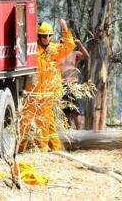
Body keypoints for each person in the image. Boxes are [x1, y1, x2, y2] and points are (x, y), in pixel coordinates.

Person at [18, 19, 76, 151]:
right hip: (33, 93)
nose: (46, 38)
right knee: (25, 121)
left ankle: (42, 148)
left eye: (49, 36)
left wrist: (65, 29)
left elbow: (70, 46)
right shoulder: (32, 50)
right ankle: (20, 149)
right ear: (39, 36)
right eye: (44, 36)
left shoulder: (55, 50)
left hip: (49, 94)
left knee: (43, 121)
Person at [61, 29, 90, 130]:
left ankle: (79, 132)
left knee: (76, 112)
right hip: (62, 87)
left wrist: (79, 44)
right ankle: (68, 134)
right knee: (65, 113)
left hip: (73, 86)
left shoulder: (75, 54)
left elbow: (86, 56)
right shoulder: (58, 54)